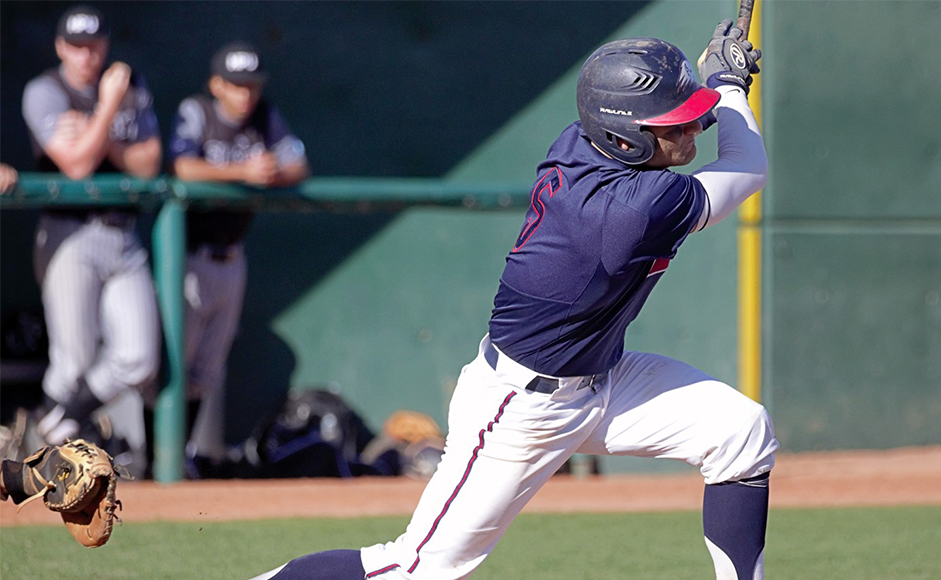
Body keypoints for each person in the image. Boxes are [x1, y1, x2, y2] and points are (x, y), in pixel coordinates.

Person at [243, 21, 774, 580]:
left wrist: (706, 87)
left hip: (604, 379)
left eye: (692, 116)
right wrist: (730, 86)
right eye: (675, 123)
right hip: (523, 409)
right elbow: (748, 168)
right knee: (412, 568)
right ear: (624, 139)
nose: (695, 127)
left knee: (739, 432)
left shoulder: (583, 140)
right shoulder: (632, 208)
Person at [19, 4, 161, 450]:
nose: (86, 56)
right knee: (73, 361)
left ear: (105, 46)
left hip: (123, 234)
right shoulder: (44, 90)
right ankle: (37, 458)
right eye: (76, 47)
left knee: (139, 359)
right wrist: (108, 109)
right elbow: (77, 165)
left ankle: (55, 421)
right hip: (70, 234)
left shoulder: (129, 86)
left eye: (93, 46)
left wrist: (101, 130)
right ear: (62, 47)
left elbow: (149, 165)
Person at [166, 41, 310, 469]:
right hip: (187, 257)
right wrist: (242, 173)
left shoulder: (265, 115)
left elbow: (299, 166)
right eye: (236, 85)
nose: (245, 93)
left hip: (232, 257)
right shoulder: (198, 111)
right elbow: (182, 167)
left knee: (206, 371)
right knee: (172, 365)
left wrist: (273, 173)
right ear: (217, 84)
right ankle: (154, 458)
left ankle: (180, 458)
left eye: (252, 85)